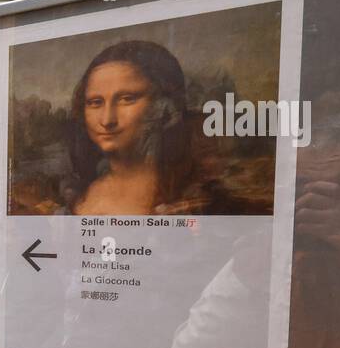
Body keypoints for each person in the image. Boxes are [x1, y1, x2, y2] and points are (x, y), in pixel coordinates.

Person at [66, 40, 259, 217]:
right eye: (95, 102)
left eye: (127, 99)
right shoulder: (78, 196)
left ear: (164, 105)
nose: (107, 119)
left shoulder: (196, 199)